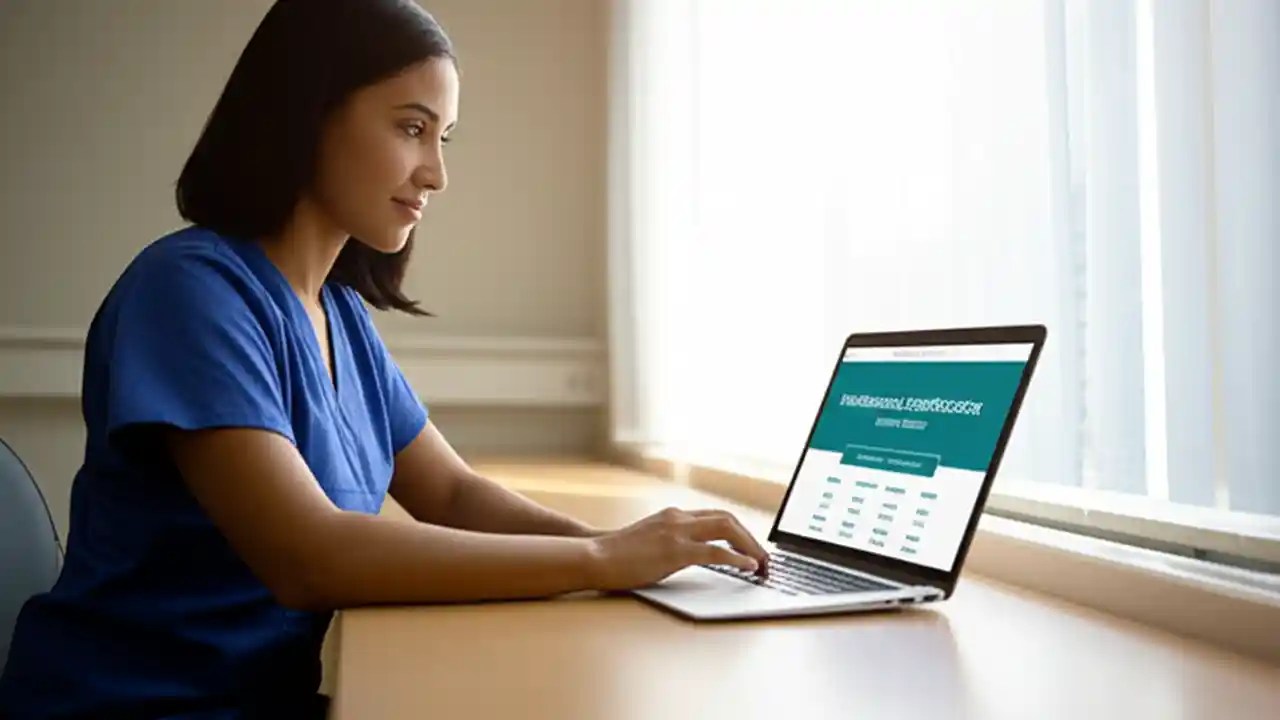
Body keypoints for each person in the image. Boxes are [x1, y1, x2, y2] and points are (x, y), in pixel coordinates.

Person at [0, 1, 769, 717]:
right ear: (309, 116)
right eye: (411, 128)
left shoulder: (338, 312)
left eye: (444, 137)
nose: (436, 172)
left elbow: (455, 494)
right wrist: (600, 558)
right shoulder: (189, 293)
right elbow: (308, 555)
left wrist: (635, 559)